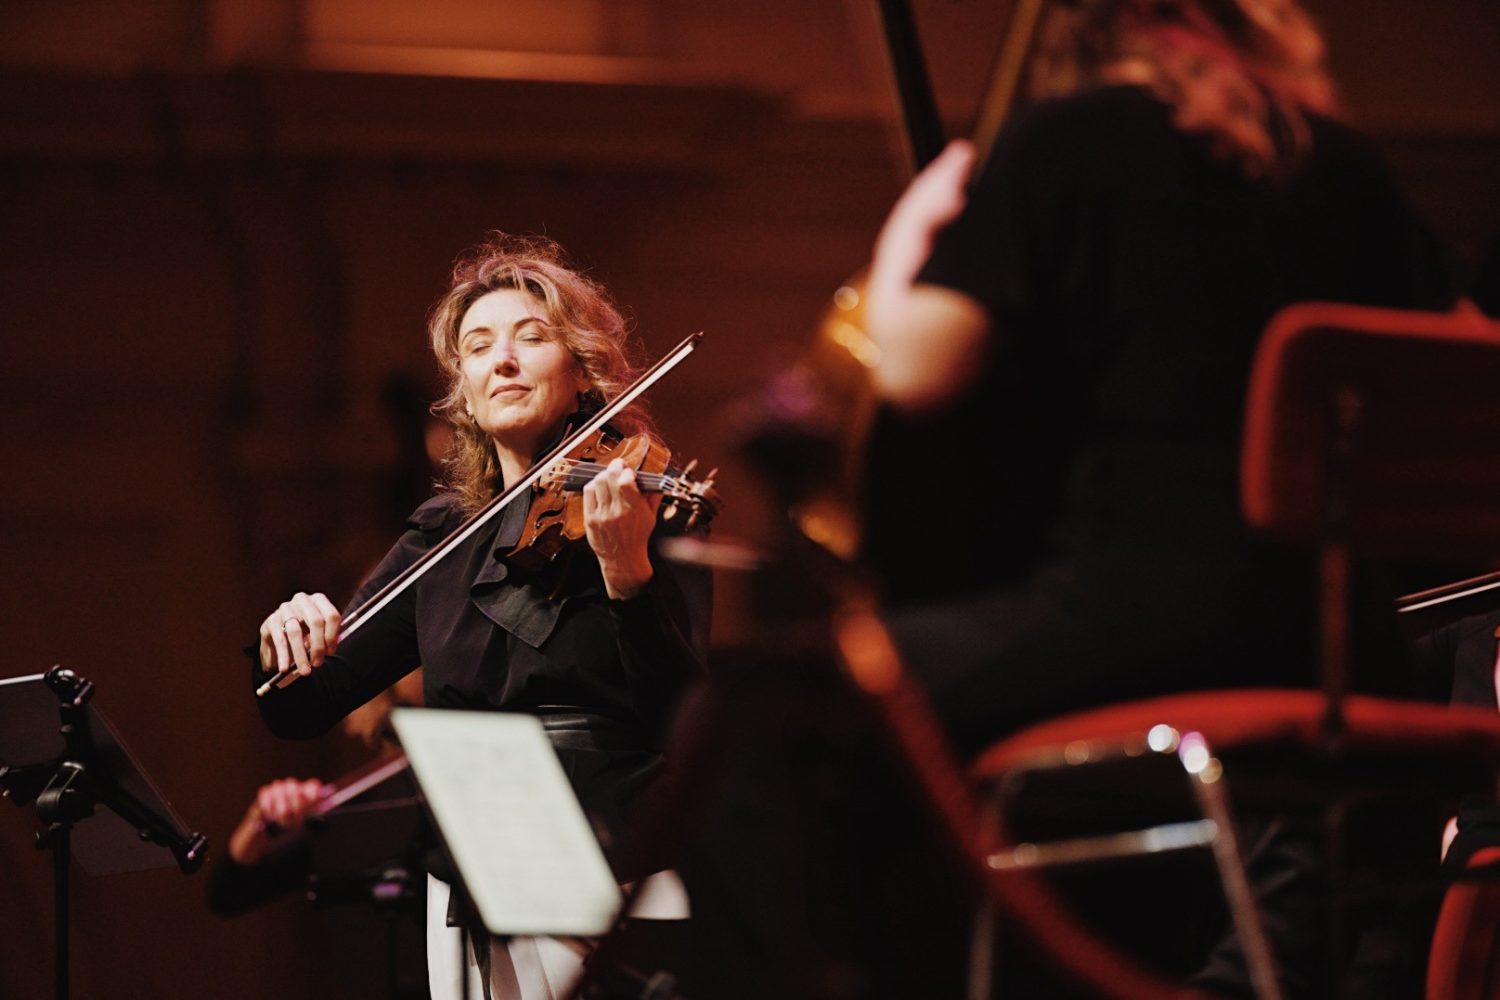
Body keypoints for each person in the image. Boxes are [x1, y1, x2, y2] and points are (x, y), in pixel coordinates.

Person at [855, 0, 1458, 994]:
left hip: (1135, 635)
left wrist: (908, 236)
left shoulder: (1063, 138)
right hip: (1354, 656)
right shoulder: (1344, 163)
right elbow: (1462, 362)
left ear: (1079, 42)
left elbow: (916, 366)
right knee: (1297, 828)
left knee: (793, 707)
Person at [249, 233, 712, 1000]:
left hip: (606, 851)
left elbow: (685, 717)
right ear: (462, 388)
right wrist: (286, 642)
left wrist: (628, 576)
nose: (503, 360)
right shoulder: (440, 534)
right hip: (471, 855)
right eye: (478, 346)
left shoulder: (643, 504)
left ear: (584, 371)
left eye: (532, 339)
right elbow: (301, 709)